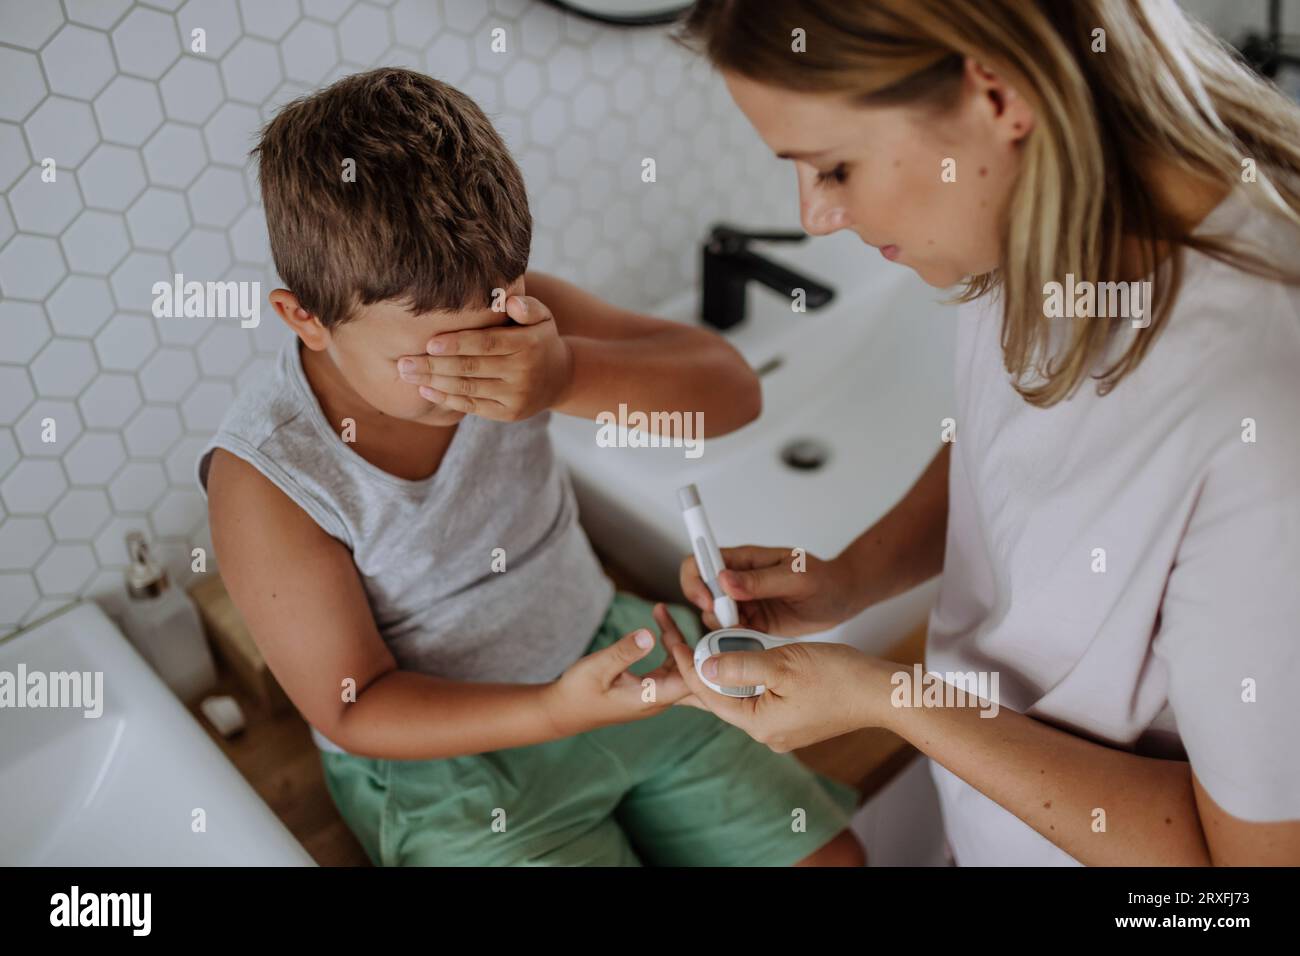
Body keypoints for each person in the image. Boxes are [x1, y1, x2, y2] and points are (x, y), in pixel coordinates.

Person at [663, 0, 1300, 865]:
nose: (815, 215)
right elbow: (1011, 440)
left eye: (834, 167)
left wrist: (892, 700)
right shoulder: (1039, 212)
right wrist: (854, 577)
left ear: (994, 96)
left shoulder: (1263, 413)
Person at [199, 67, 862, 866]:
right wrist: (551, 712)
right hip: (450, 764)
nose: (477, 368)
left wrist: (565, 374)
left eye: (493, 326)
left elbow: (732, 394)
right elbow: (355, 706)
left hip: (610, 649)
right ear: (304, 318)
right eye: (429, 356)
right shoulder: (269, 481)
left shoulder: (518, 318)